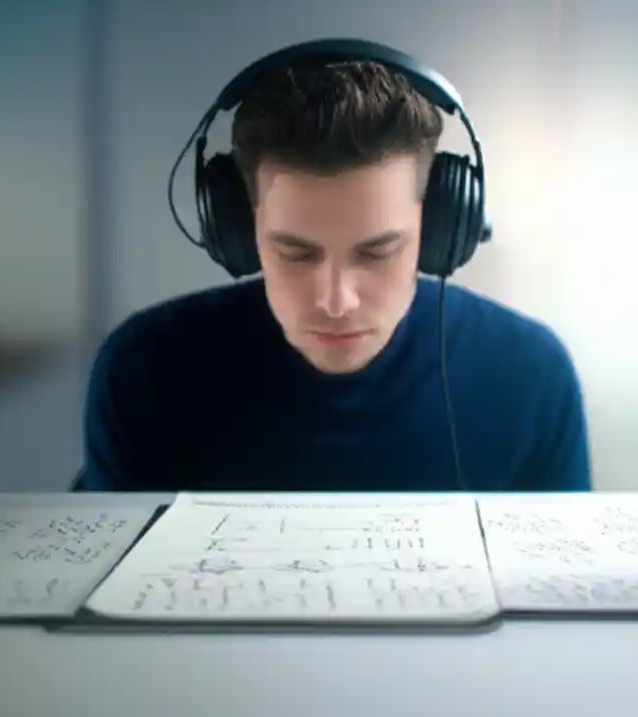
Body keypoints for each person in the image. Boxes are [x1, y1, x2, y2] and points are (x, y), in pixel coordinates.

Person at [77, 40, 590, 493]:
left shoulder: (531, 379)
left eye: (377, 252)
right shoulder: (143, 375)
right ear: (238, 227)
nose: (336, 301)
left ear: (438, 228)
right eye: (295, 253)